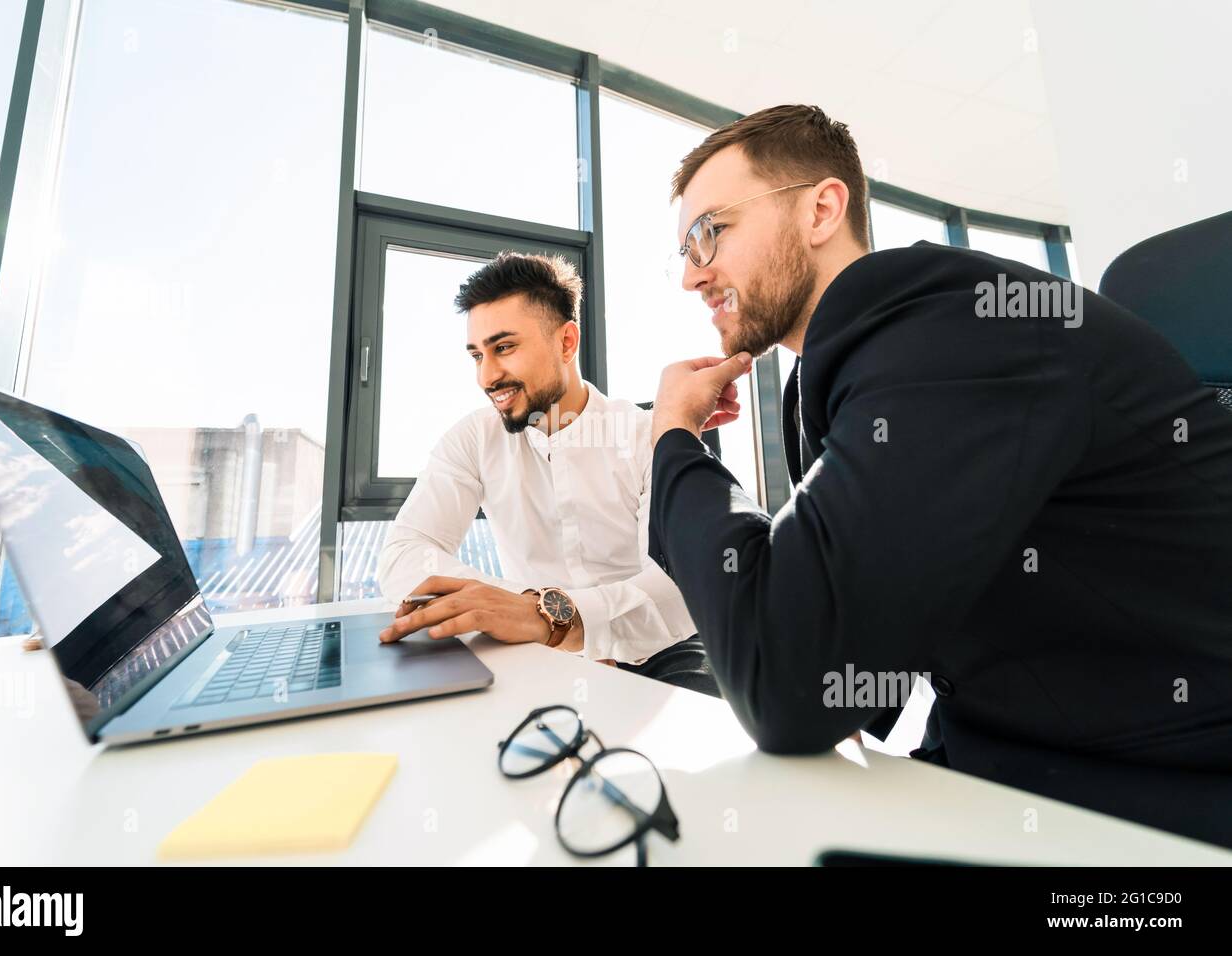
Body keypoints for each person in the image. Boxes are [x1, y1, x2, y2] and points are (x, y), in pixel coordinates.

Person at [648, 103, 1232, 846]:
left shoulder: (946, 329)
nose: (695, 275)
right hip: (999, 757)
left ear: (823, 209)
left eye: (710, 232)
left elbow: (790, 682)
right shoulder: (827, 382)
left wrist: (674, 439)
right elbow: (839, 654)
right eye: (685, 252)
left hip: (1162, 785)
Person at [377, 252, 718, 696]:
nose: (487, 375)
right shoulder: (473, 439)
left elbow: (677, 584)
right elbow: (404, 554)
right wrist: (530, 612)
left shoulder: (643, 435)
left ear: (566, 342)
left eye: (504, 348)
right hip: (536, 647)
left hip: (661, 649)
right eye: (477, 355)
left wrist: (558, 618)